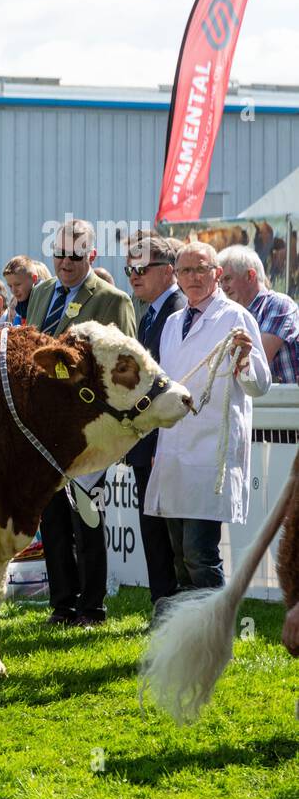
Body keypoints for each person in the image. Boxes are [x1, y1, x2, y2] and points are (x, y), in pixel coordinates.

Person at [26, 217, 136, 626]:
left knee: (87, 517)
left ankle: (92, 607)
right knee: (52, 518)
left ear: (91, 254)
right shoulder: (40, 292)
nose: (65, 262)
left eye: (74, 255)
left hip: (88, 428)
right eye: (59, 254)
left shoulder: (112, 299)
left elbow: (123, 367)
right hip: (46, 428)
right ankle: (62, 605)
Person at [147, 241, 269, 600]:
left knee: (201, 554)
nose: (194, 277)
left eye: (202, 269)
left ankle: (213, 634)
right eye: (186, 270)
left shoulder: (236, 318)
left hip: (209, 453)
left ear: (217, 274)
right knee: (181, 558)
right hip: (173, 451)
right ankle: (188, 635)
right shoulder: (171, 323)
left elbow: (259, 385)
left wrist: (245, 359)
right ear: (176, 277)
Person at [122, 233, 185, 608]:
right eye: (130, 268)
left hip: (167, 441)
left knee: (170, 530)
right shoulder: (151, 311)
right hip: (148, 440)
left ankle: (174, 602)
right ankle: (162, 601)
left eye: (141, 268)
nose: (134, 275)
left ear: (168, 271)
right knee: (152, 526)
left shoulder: (177, 309)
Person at [218, 244, 299, 384]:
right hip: (263, 402)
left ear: (250, 276)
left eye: (228, 279)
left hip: (284, 403)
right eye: (220, 282)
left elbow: (258, 360)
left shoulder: (278, 304)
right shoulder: (232, 313)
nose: (223, 287)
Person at [2, 255, 44, 325]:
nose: (13, 291)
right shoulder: (20, 306)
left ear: (34, 279)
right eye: (10, 286)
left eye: (18, 284)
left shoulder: (45, 300)